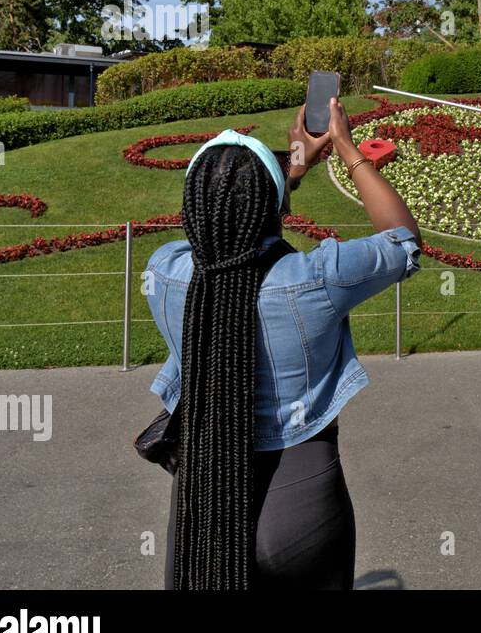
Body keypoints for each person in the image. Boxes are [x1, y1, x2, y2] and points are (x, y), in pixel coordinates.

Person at [144, 97, 421, 590]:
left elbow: (218, 227)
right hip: (301, 497)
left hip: (203, 498)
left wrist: (289, 171)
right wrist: (345, 148)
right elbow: (402, 239)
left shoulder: (164, 272)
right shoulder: (317, 277)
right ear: (275, 206)